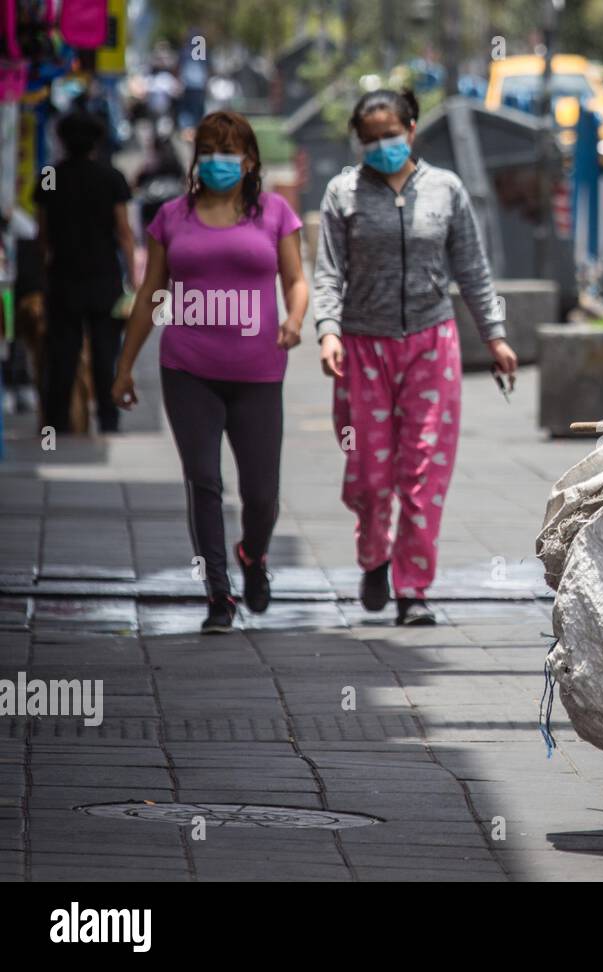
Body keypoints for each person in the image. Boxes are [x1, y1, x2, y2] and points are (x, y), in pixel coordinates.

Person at [313, 88, 518, 626]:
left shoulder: (446, 190)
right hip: (361, 347)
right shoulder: (343, 193)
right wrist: (328, 331)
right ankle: (374, 555)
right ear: (360, 142)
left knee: (424, 471)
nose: (383, 145)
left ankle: (413, 588)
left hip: (432, 344)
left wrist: (494, 337)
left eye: (391, 134)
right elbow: (329, 271)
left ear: (411, 129)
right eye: (371, 138)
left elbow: (473, 269)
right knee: (370, 475)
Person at [111, 110, 308, 634]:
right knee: (203, 482)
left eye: (231, 151)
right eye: (211, 151)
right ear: (198, 159)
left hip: (259, 373)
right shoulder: (172, 217)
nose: (221, 161)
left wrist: (293, 319)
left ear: (249, 161)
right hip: (188, 370)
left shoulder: (273, 214)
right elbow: (151, 293)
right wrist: (125, 366)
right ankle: (218, 595)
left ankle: (254, 555)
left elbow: (296, 280)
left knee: (262, 493)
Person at [36, 110, 137, 434]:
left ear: (62, 141)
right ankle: (108, 420)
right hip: (103, 278)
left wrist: (42, 271)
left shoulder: (51, 176)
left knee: (61, 355)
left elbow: (42, 234)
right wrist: (134, 277)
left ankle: (56, 423)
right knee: (105, 354)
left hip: (63, 278)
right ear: (97, 142)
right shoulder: (110, 177)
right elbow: (124, 231)